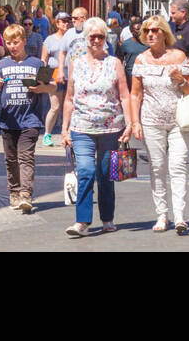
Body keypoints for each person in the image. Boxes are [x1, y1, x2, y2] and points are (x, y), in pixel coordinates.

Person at [61, 16, 132, 237]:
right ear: (86, 38)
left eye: (100, 36)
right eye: (92, 36)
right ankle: (82, 221)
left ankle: (107, 218)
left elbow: (125, 96)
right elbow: (69, 98)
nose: (96, 40)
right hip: (81, 127)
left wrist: (130, 123)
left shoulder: (114, 63)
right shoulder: (76, 63)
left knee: (105, 174)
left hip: (111, 128)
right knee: (85, 171)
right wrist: (64, 128)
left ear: (105, 38)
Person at [130, 15, 189, 235]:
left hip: (178, 121)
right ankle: (162, 215)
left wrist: (181, 80)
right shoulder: (141, 60)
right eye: (146, 31)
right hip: (151, 121)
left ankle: (180, 217)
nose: (150, 34)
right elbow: (135, 94)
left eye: (155, 30)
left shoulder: (178, 56)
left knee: (177, 166)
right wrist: (135, 122)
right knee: (157, 168)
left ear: (164, 33)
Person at [0, 23, 55, 212]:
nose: (12, 46)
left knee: (25, 156)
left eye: (16, 42)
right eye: (8, 43)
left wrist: (41, 88)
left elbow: (52, 86)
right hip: (8, 120)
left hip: (31, 119)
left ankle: (26, 195)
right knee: (11, 159)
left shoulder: (37, 63)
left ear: (24, 41)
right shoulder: (1, 64)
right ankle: (14, 192)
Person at [41, 12, 71, 145]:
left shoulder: (72, 38)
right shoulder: (49, 40)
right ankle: (47, 134)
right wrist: (43, 80)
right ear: (57, 23)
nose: (66, 24)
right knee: (55, 106)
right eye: (63, 21)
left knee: (70, 106)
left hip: (70, 74)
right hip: (55, 74)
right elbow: (44, 59)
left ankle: (68, 134)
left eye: (68, 21)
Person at [167, 0, 189, 65]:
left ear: (183, 13)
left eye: (173, 13)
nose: (171, 15)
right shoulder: (174, 28)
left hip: (185, 70)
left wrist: (182, 64)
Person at [117, 17, 149, 84]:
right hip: (130, 77)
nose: (140, 31)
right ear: (131, 31)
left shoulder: (148, 44)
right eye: (137, 29)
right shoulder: (125, 44)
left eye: (142, 29)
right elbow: (119, 60)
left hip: (145, 76)